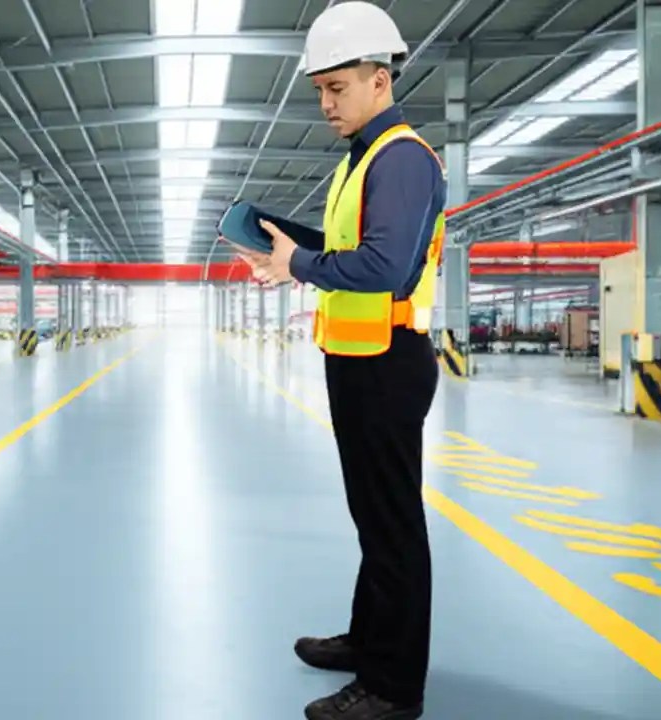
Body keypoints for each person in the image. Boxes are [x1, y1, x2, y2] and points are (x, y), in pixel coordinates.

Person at [226, 3, 447, 719]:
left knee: (393, 524)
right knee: (372, 517)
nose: (325, 104)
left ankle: (392, 688)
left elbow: (383, 264)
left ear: (379, 80)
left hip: (388, 361)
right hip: (355, 356)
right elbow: (346, 244)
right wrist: (292, 252)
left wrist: (303, 265)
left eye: (337, 88)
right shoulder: (362, 162)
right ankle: (367, 640)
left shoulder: (403, 157)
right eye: (319, 90)